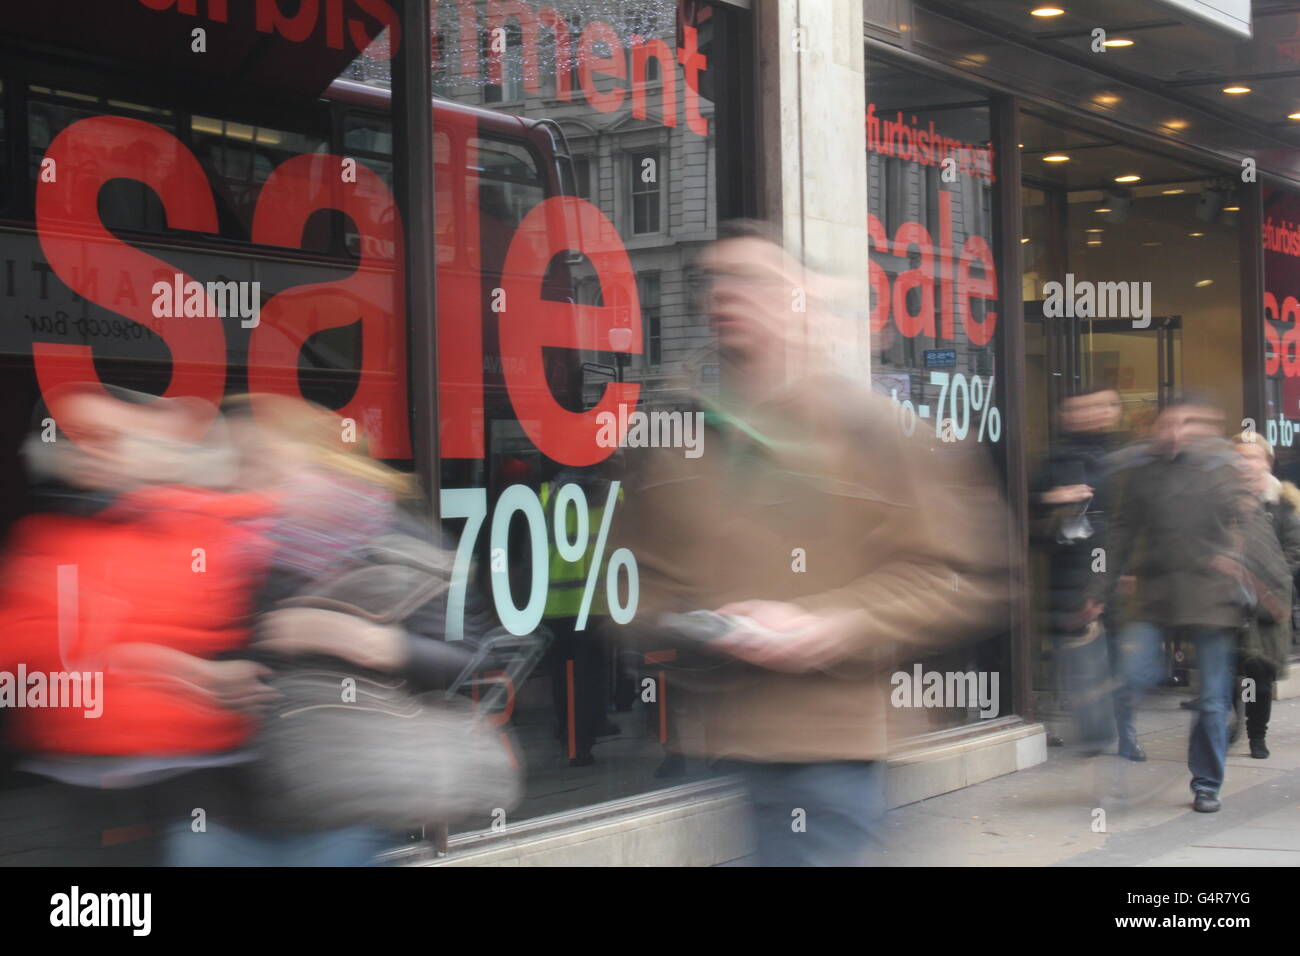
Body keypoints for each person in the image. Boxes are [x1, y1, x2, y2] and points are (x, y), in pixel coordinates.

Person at [611, 220, 1009, 865]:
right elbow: (634, 586)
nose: (725, 295)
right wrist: (697, 625)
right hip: (707, 748)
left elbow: (959, 578)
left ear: (802, 303)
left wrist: (831, 623)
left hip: (830, 751)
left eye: (751, 281)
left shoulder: (876, 429)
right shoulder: (680, 437)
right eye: (713, 281)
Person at [0, 383, 275, 865]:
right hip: (82, 780)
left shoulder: (217, 528)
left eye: (108, 436)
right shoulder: (48, 538)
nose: (88, 450)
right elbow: (20, 657)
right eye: (73, 436)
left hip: (197, 780)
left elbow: (263, 628)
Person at [1086, 391, 1249, 812]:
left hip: (1212, 601)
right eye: (1169, 424)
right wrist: (1099, 591)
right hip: (1157, 599)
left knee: (1212, 700)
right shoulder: (1143, 473)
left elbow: (1247, 525)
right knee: (1133, 677)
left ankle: (1207, 784)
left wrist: (1233, 556)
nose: (1176, 432)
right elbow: (1120, 536)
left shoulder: (1222, 469)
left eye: (1186, 424)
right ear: (1157, 427)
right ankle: (1121, 771)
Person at [1030, 387, 1128, 755]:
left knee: (1123, 660)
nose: (1092, 414)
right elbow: (1023, 513)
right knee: (1081, 656)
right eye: (1081, 408)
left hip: (1119, 570)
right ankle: (1100, 734)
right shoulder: (1053, 460)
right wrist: (1048, 500)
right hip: (1072, 571)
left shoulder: (1126, 458)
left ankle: (1122, 732)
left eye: (1102, 406)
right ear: (1065, 415)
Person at [1229, 432, 1300, 759]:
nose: (1246, 464)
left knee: (1260, 675)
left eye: (1253, 457)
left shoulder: (1285, 505)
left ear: (1266, 462)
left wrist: (1268, 584)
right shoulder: (1222, 504)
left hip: (1269, 607)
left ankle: (1258, 735)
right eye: (1239, 458)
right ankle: (1231, 718)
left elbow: (1295, 554)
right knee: (1227, 670)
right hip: (1229, 603)